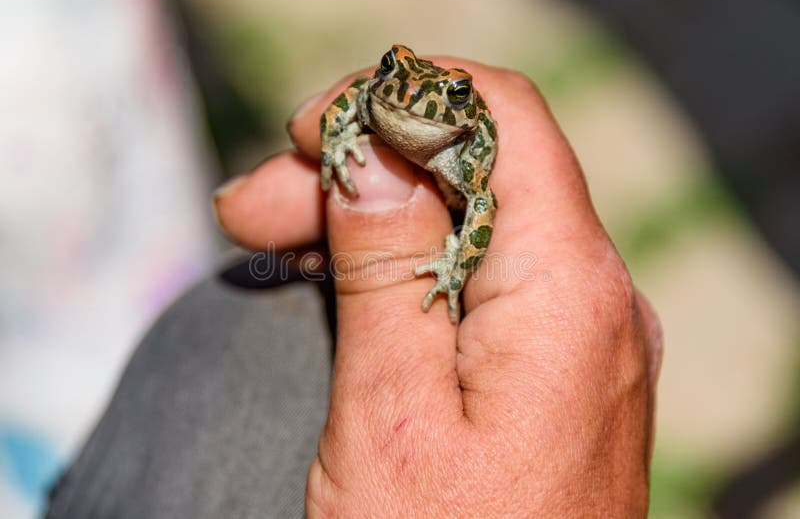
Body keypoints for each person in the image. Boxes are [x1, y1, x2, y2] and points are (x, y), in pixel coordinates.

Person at [47, 59, 662, 517]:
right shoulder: (378, 100)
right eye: (397, 72)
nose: (411, 95)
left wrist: (455, 264)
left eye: (445, 95)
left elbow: (482, 203)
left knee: (222, 314)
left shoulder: (465, 151)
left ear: (463, 111)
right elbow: (350, 105)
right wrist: (341, 140)